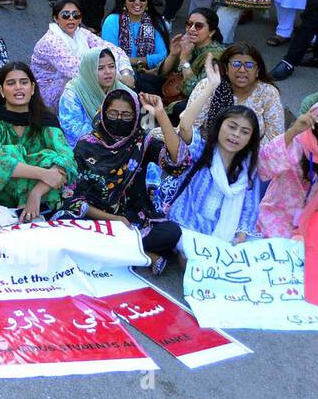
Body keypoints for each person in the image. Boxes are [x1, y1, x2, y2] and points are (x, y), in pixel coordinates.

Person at [60, 88, 186, 273]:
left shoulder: (142, 142)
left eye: (126, 115)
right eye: (113, 113)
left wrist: (159, 113)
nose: (119, 119)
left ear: (135, 117)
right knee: (66, 228)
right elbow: (73, 197)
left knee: (171, 233)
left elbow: (177, 162)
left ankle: (117, 251)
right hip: (94, 218)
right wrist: (114, 219)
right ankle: (144, 255)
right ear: (103, 112)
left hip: (131, 219)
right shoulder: (86, 145)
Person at [159, 73, 263, 245]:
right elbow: (184, 124)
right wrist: (211, 86)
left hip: (220, 231)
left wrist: (242, 233)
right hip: (185, 222)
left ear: (251, 138)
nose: (236, 135)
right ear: (219, 126)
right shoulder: (201, 149)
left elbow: (249, 207)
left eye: (244, 132)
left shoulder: (248, 167)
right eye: (232, 127)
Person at [0, 62, 77, 229]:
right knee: (6, 152)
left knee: (53, 157)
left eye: (24, 82)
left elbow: (67, 158)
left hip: (41, 198)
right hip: (1, 197)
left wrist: (36, 193)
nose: (18, 87)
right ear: (2, 91)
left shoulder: (46, 120)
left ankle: (33, 214)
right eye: (11, 83)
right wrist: (43, 174)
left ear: (32, 88)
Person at [257, 101, 318, 239]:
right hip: (275, 220)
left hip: (317, 227)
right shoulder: (296, 143)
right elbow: (264, 167)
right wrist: (293, 131)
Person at [30, 0, 132, 109]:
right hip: (48, 92)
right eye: (65, 15)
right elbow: (76, 71)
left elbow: (114, 51)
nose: (71, 18)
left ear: (80, 18)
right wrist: (118, 78)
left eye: (76, 14)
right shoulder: (51, 41)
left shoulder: (82, 33)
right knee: (94, 81)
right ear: (55, 18)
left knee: (110, 75)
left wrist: (126, 72)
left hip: (79, 82)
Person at [183, 45, 284, 144]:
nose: (242, 70)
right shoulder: (210, 84)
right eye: (236, 64)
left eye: (249, 65)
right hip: (207, 149)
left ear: (257, 71)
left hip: (253, 155)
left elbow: (274, 137)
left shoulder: (268, 92)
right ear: (226, 68)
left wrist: (246, 155)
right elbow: (189, 127)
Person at [101, 0, 169, 90]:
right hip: (120, 78)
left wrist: (133, 61)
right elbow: (111, 57)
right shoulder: (112, 21)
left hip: (150, 77)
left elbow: (162, 56)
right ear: (124, 1)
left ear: (147, 2)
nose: (137, 2)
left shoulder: (156, 22)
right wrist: (143, 62)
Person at [155, 8, 225, 103]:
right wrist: (173, 54)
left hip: (198, 104)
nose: (191, 29)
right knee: (144, 80)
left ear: (211, 32)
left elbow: (195, 92)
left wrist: (184, 61)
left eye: (198, 26)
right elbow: (161, 73)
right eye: (189, 24)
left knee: (178, 108)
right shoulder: (189, 44)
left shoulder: (215, 57)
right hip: (176, 91)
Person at [58, 47, 119, 146]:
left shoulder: (121, 90)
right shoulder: (72, 94)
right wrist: (108, 133)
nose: (108, 72)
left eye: (111, 66)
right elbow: (74, 132)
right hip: (84, 148)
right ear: (89, 70)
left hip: (118, 144)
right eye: (100, 68)